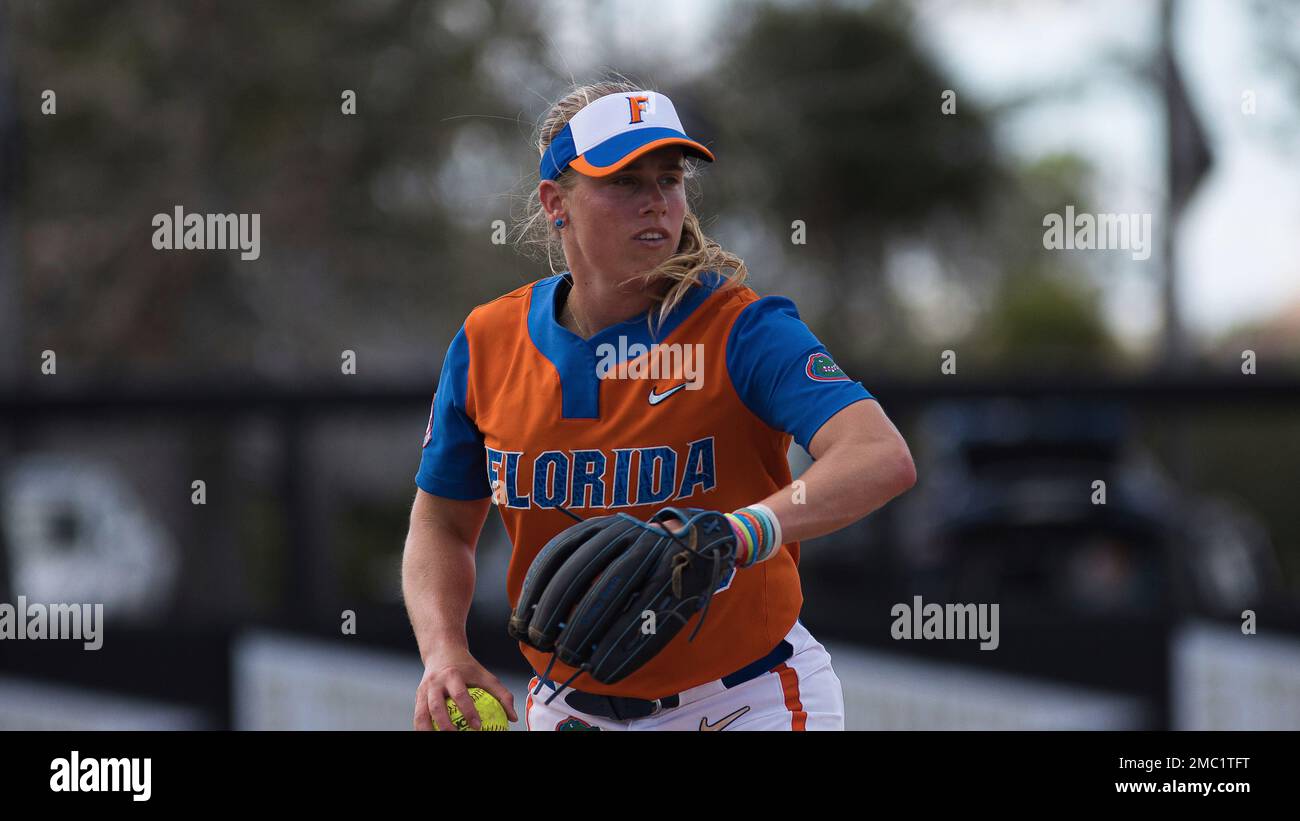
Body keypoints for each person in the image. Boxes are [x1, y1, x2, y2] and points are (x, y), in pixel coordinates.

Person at [403, 78, 916, 732]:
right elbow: (443, 524)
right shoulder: (488, 342)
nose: (655, 202)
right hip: (565, 707)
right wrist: (443, 649)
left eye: (669, 179)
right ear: (555, 202)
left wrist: (736, 532)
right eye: (624, 181)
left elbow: (879, 455)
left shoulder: (740, 328)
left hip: (744, 699)